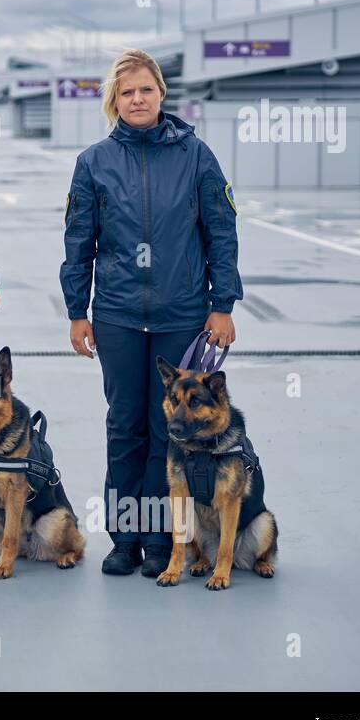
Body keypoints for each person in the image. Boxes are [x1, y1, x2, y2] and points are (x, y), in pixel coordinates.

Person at [60, 48, 242, 579]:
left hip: (181, 316)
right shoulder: (93, 163)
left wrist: (222, 304)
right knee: (125, 427)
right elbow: (79, 244)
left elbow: (221, 232)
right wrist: (78, 310)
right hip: (116, 317)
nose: (137, 99)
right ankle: (124, 540)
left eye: (145, 89)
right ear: (114, 101)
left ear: (161, 93)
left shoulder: (196, 155)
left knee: (173, 435)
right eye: (126, 92)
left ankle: (163, 541)